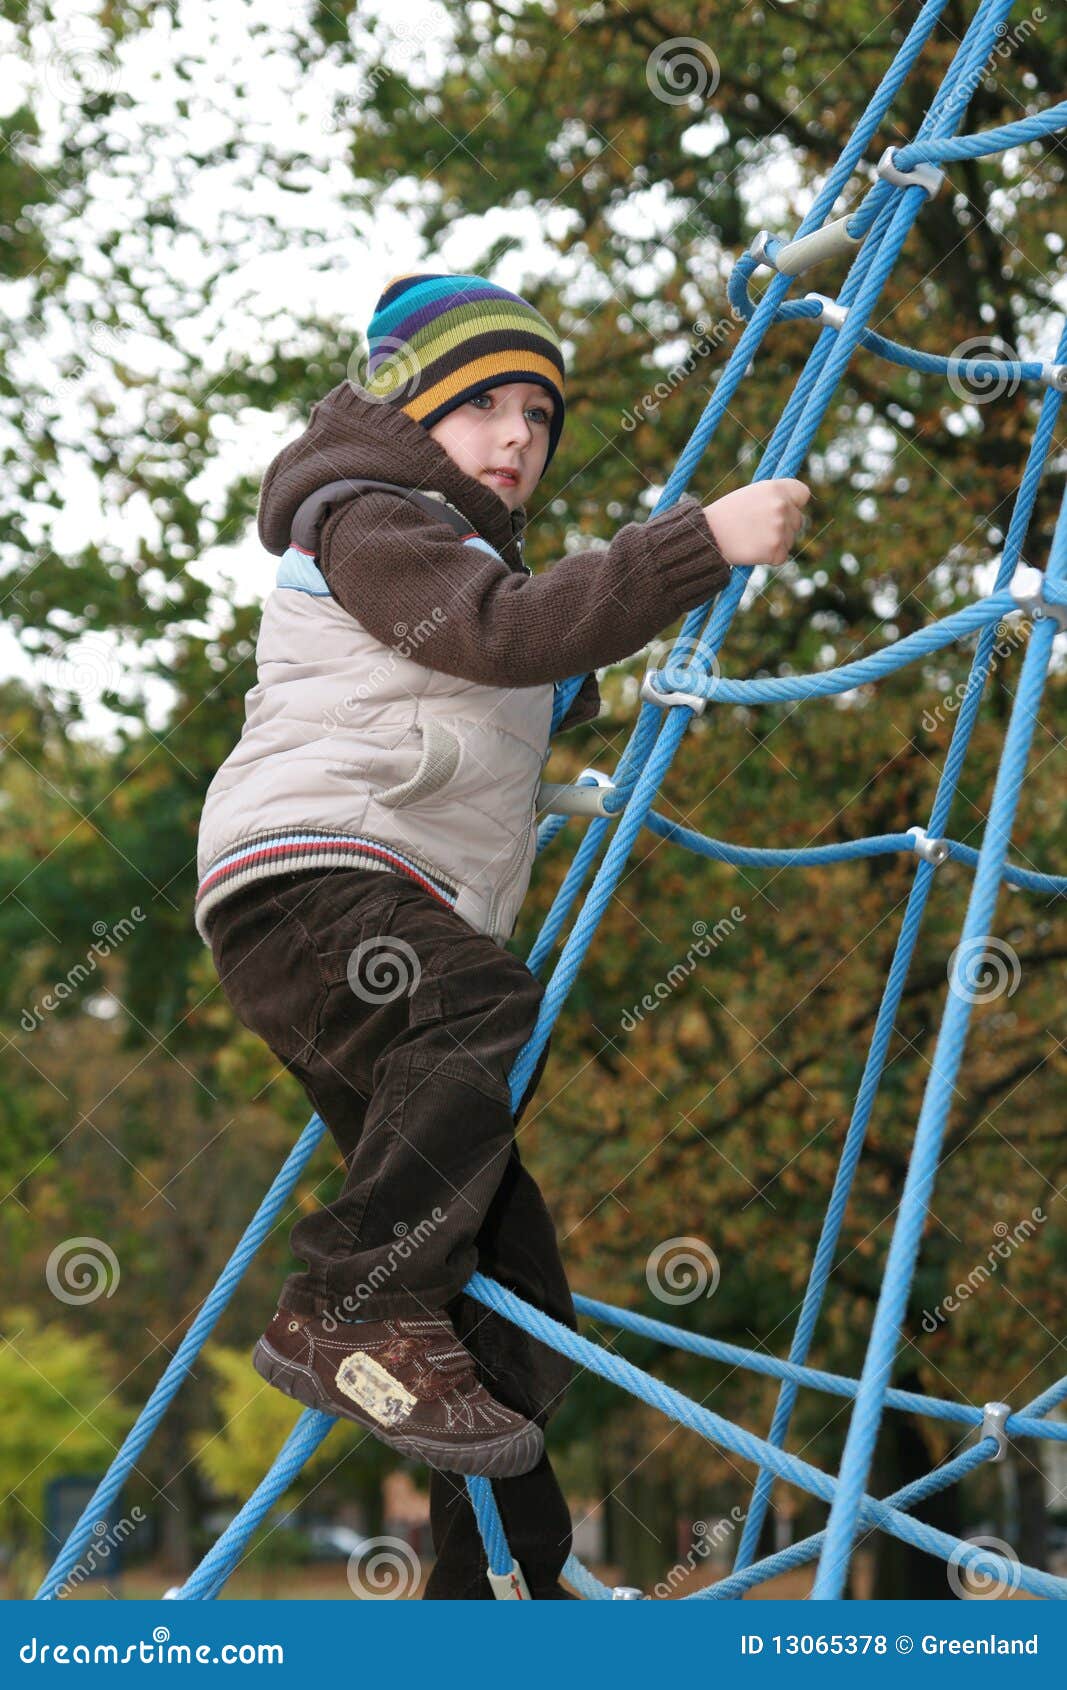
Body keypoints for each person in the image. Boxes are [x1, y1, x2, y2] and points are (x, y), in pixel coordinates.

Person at [195, 271, 810, 1597]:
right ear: (408, 406)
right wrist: (697, 543)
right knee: (483, 1006)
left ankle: (496, 1592)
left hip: (377, 912)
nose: (521, 434)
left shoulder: (457, 560)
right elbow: (502, 633)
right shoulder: (367, 514)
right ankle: (345, 1296)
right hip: (310, 881)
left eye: (541, 412)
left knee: (510, 1284)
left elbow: (521, 666)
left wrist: (624, 683)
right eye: (486, 404)